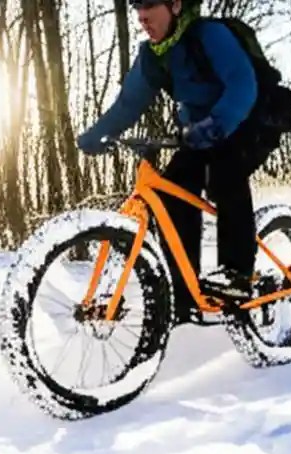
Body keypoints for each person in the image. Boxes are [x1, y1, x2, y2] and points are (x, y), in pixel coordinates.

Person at [76, 0, 268, 324]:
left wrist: (217, 124)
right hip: (197, 135)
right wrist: (96, 136)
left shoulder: (210, 35)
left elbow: (242, 84)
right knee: (173, 194)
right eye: (137, 7)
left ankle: (237, 275)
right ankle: (183, 289)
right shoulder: (154, 56)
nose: (142, 16)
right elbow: (128, 104)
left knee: (225, 175)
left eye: (150, 5)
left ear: (176, 5)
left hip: (245, 122)